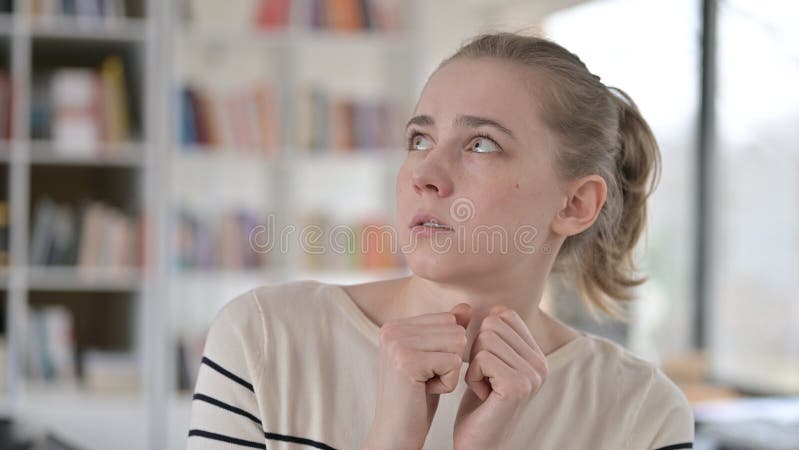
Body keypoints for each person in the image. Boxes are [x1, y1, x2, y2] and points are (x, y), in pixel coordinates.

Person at [186, 32, 694, 450]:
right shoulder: (264, 337)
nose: (425, 173)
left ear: (575, 204)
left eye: (481, 144)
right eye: (419, 139)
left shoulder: (642, 412)